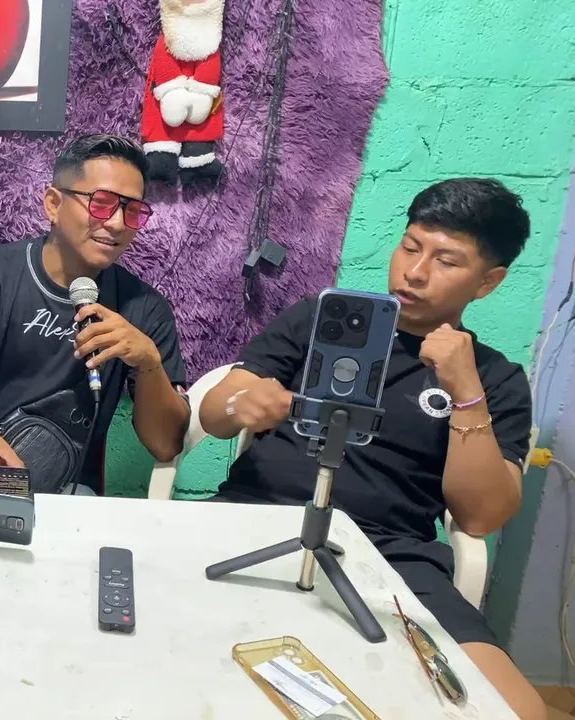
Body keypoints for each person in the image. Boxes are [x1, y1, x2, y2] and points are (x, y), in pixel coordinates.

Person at [199, 178, 546, 720]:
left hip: (393, 555)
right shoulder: (319, 320)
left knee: (520, 710)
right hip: (252, 516)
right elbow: (214, 414)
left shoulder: (495, 378)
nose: (415, 272)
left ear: (487, 282)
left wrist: (466, 393)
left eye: (446, 261)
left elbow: (481, 517)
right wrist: (240, 403)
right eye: (410, 247)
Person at [0, 134, 190, 495]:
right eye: (101, 203)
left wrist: (149, 363)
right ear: (53, 204)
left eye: (132, 210)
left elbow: (165, 446)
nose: (118, 223)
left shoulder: (145, 308)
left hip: (66, 487)